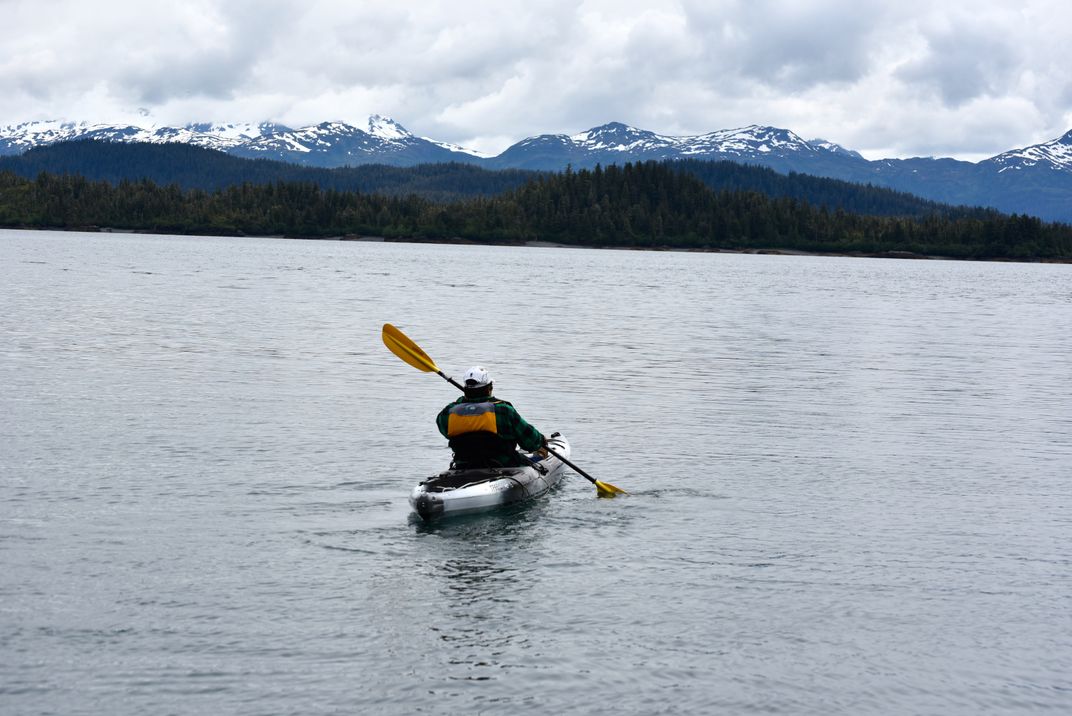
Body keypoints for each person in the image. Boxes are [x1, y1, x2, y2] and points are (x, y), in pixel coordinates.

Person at [436, 366, 547, 469]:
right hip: (503, 464)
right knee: (536, 458)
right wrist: (541, 441)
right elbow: (530, 442)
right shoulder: (503, 410)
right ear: (489, 388)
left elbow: (448, 433)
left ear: (466, 390)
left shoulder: (448, 412)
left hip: (463, 465)